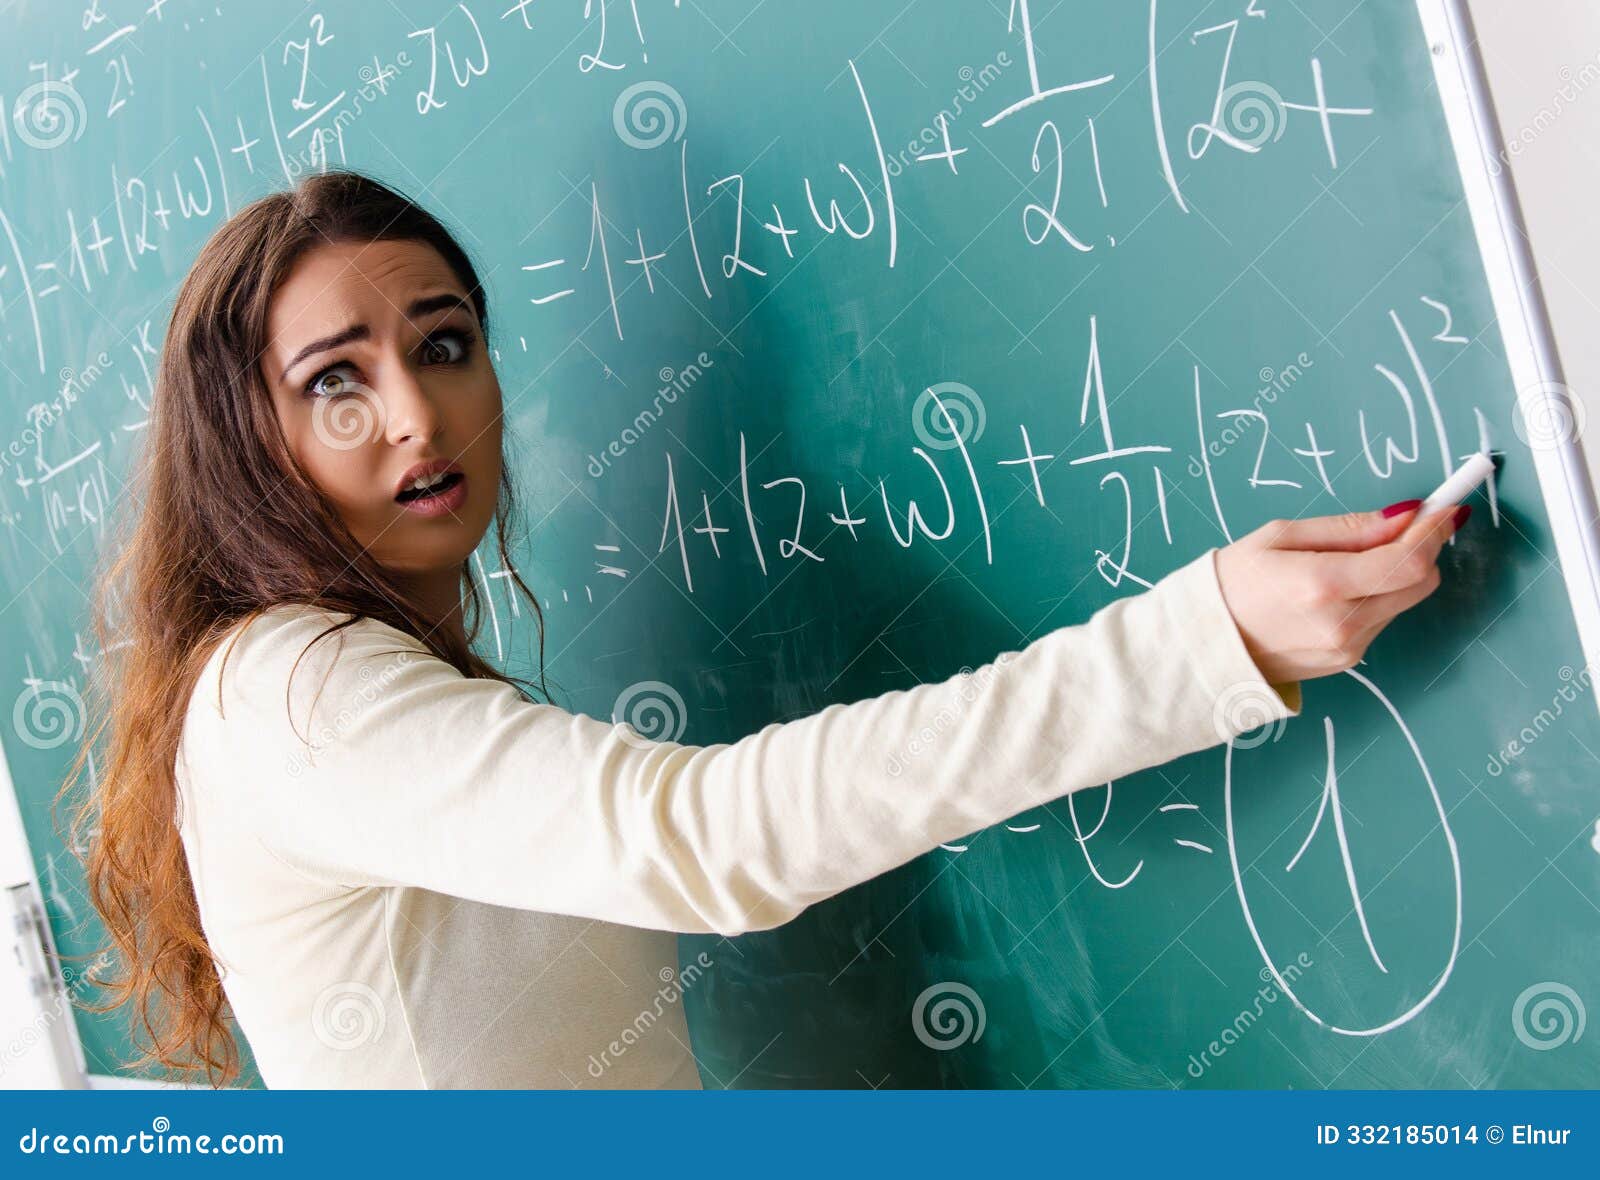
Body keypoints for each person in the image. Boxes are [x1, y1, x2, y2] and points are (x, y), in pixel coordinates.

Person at [63, 170, 1463, 1089]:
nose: (416, 414)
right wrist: (1203, 642)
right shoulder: (290, 691)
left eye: (443, 345)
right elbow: (706, 838)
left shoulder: (363, 682)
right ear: (246, 441)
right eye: (335, 381)